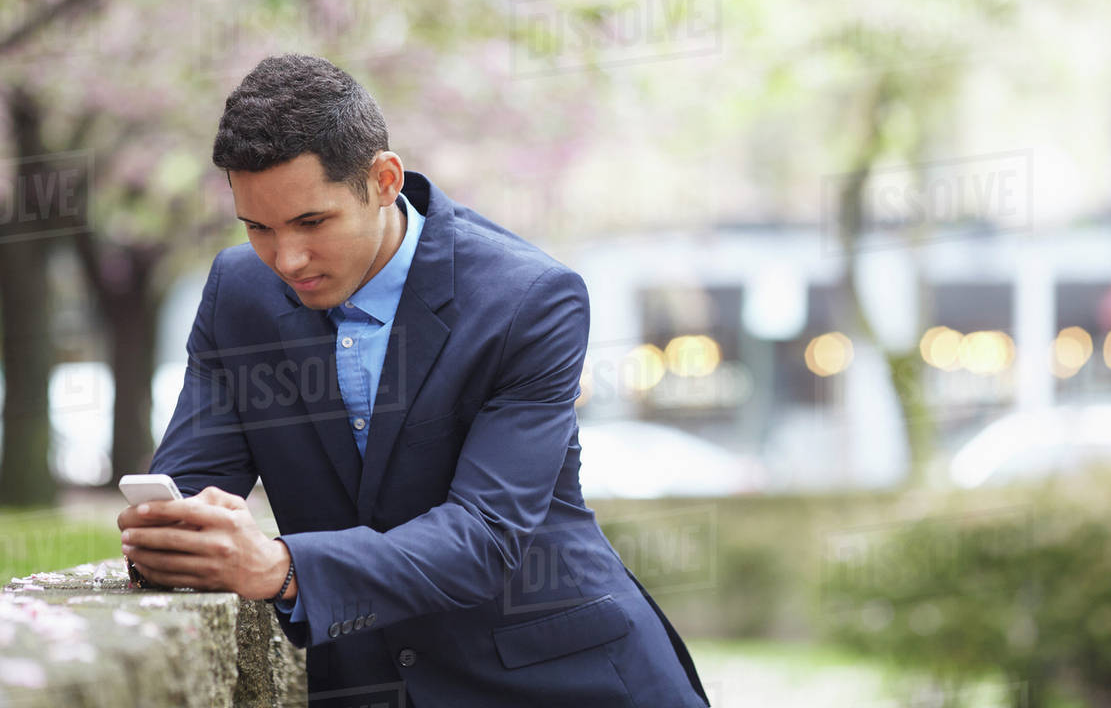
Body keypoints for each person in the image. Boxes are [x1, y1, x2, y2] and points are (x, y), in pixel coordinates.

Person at [115, 54, 709, 708]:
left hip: (562, 681)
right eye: (258, 227)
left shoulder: (530, 301)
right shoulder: (239, 296)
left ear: (383, 179)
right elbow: (192, 490)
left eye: (312, 222)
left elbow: (483, 538)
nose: (287, 259)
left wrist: (282, 569)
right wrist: (168, 538)